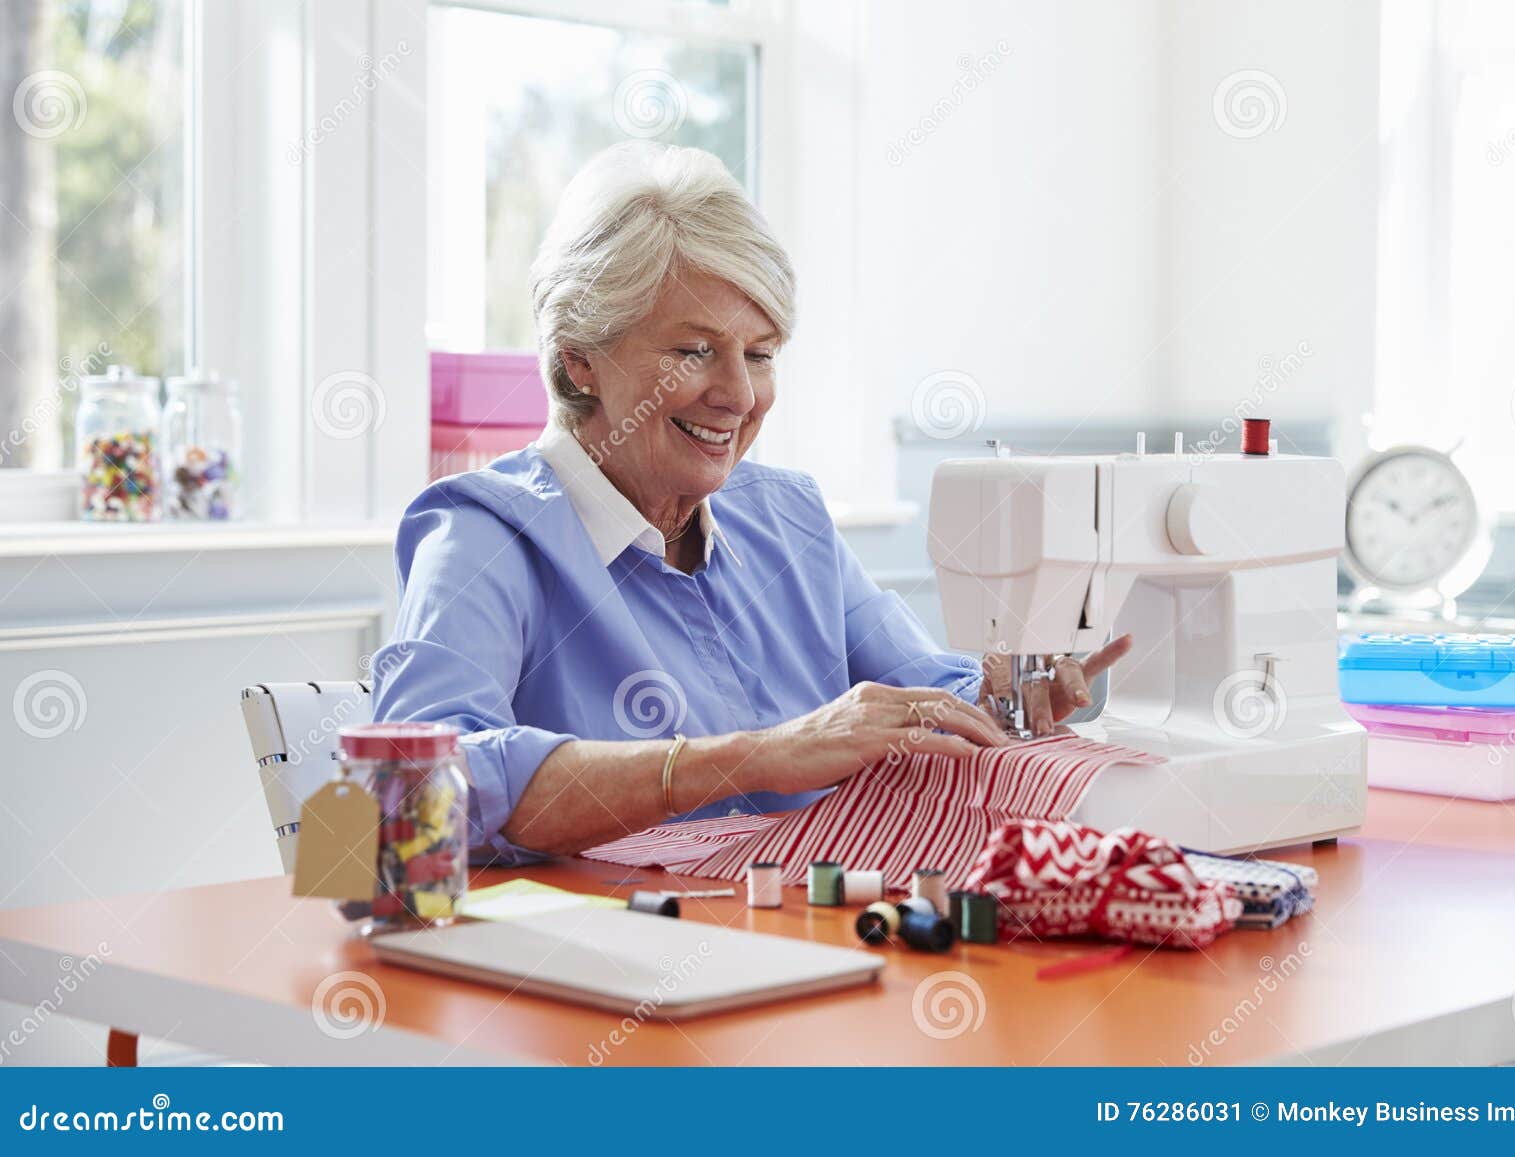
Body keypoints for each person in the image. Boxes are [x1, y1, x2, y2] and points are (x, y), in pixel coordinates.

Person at [372, 142, 1130, 860]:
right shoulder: (482, 536)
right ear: (581, 360)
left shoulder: (789, 518)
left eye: (760, 354)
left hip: (807, 943)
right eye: (693, 350)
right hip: (600, 972)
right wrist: (760, 756)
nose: (738, 394)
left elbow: (927, 688)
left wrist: (1004, 698)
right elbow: (411, 796)